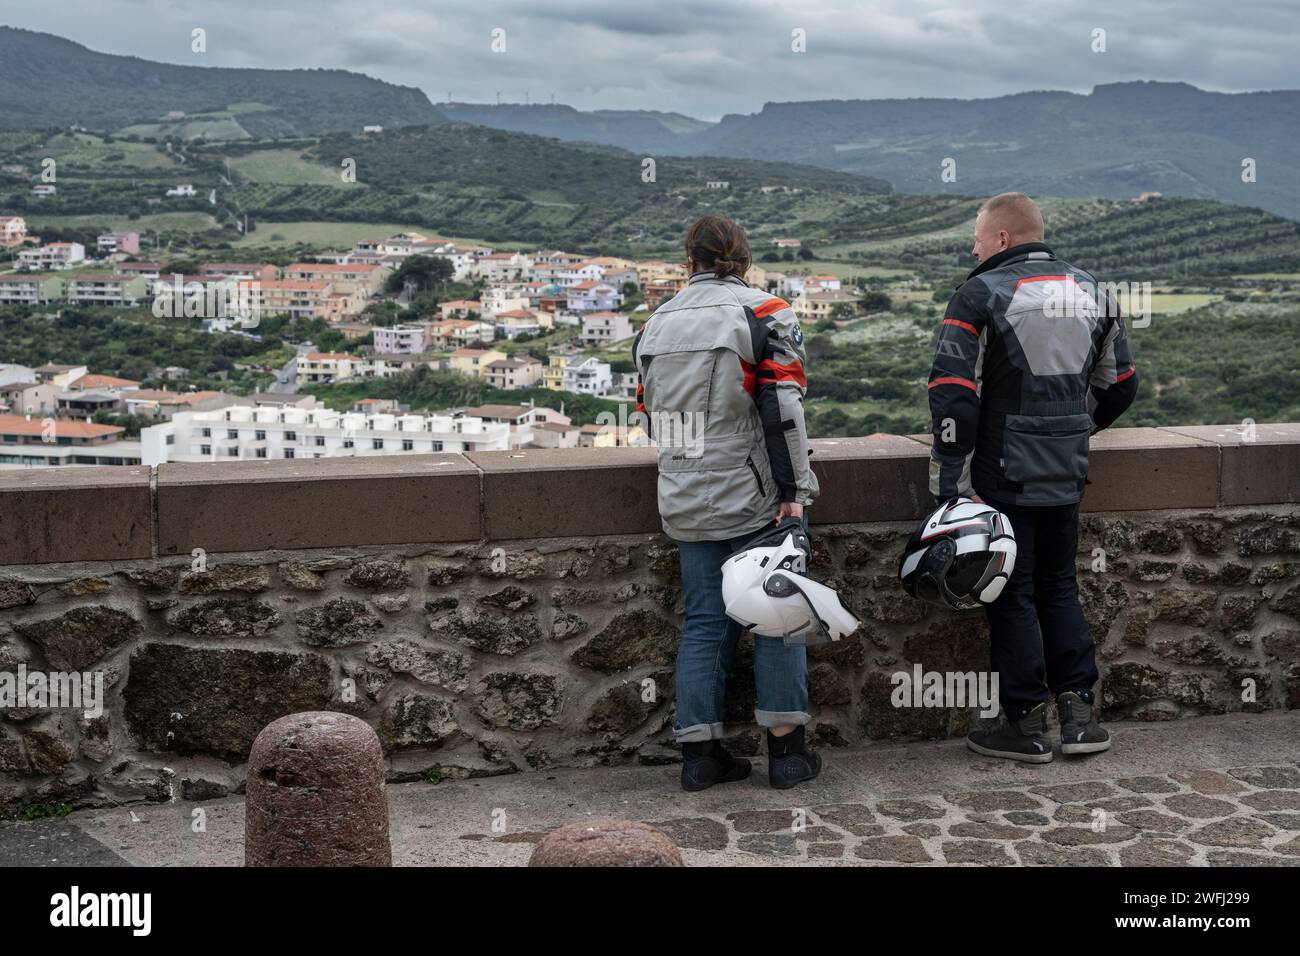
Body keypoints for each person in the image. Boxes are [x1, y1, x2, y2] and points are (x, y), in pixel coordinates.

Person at [926, 192, 1138, 763]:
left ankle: (1022, 724)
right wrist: (1071, 428)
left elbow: (952, 398)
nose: (972, 247)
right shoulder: (1095, 291)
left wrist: (951, 485)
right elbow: (1121, 385)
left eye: (977, 235)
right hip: (1066, 468)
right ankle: (1079, 717)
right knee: (1058, 584)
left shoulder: (979, 293)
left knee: (1012, 592)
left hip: (1001, 470)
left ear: (1001, 238)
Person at [633, 214, 821, 791]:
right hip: (756, 491)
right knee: (779, 616)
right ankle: (787, 756)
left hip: (683, 490)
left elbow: (648, 419)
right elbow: (783, 409)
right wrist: (793, 490)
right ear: (743, 258)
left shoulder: (654, 325)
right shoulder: (766, 313)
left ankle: (699, 757)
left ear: (688, 261)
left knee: (704, 624)